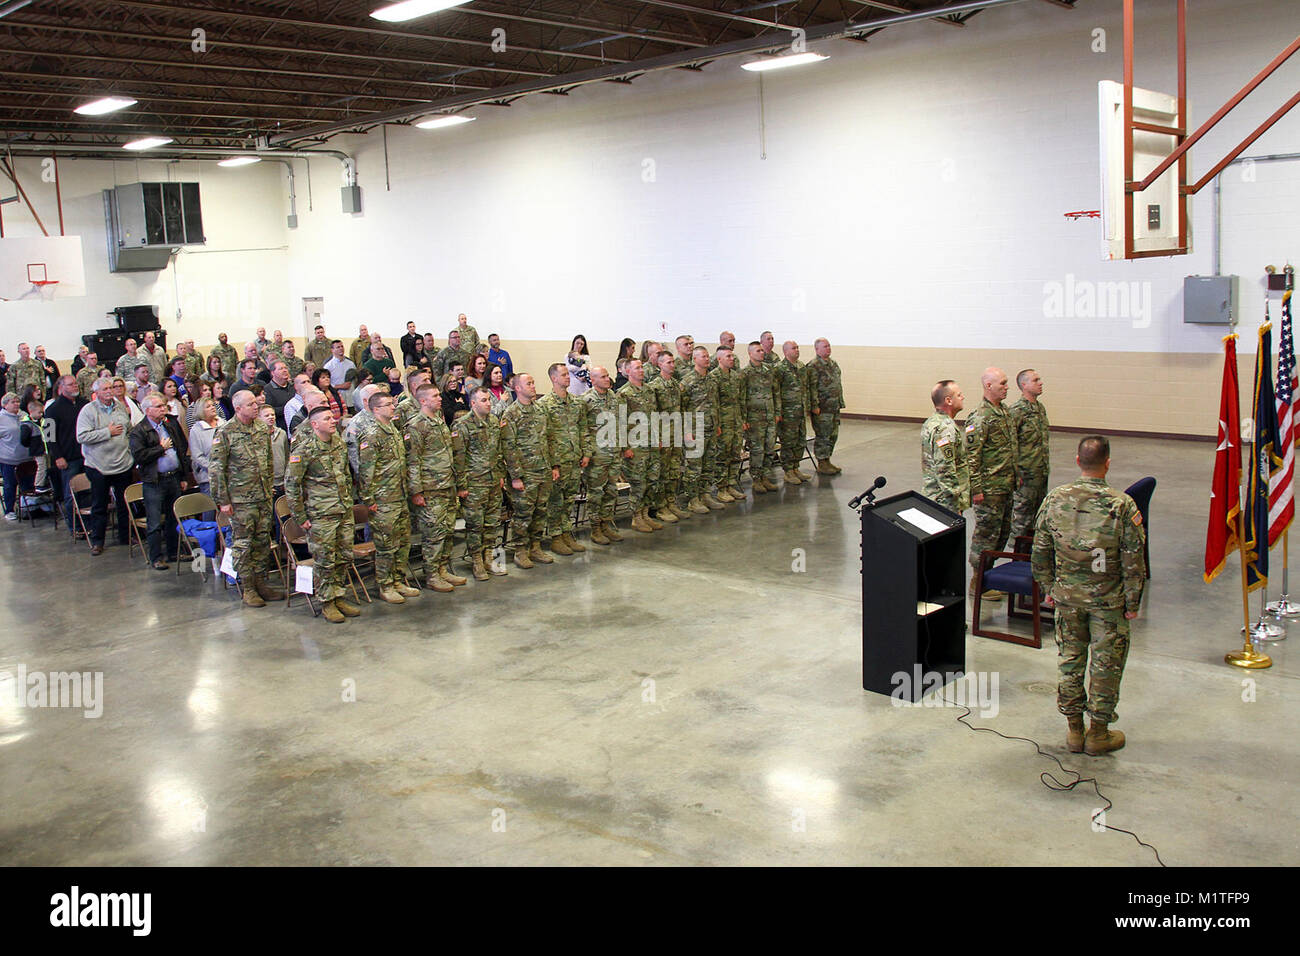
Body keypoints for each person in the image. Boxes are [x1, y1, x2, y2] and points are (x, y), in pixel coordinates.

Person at [1032, 436, 1145, 756]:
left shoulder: (1055, 499)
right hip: (1108, 602)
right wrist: (1133, 602)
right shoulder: (1121, 505)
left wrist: (1048, 587)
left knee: (1070, 661)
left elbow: (1040, 550)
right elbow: (1133, 559)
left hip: (1067, 598)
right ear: (1108, 463)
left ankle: (1074, 730)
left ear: (1078, 461)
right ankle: (1098, 732)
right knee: (1106, 664)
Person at [210, 390, 284, 607]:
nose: (256, 406)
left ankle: (262, 583)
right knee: (243, 544)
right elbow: (216, 469)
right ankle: (248, 587)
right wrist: (223, 500)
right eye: (250, 404)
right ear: (238, 408)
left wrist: (269, 484)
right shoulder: (225, 432)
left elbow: (269, 460)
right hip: (240, 499)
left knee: (262, 541)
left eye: (256, 403)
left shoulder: (262, 428)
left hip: (262, 495)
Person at [357, 390, 420, 603]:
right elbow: (366, 471)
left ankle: (398, 579)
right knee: (386, 544)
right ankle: (385, 584)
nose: (393, 407)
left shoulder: (393, 430)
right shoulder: (371, 434)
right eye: (388, 405)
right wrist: (369, 500)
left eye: (393, 403)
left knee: (402, 541)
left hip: (399, 494)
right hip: (383, 499)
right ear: (376, 409)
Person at [407, 383, 465, 591]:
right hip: (430, 487)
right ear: (423, 401)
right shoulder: (416, 425)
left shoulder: (439, 422)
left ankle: (442, 569)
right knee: (434, 533)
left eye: (439, 395)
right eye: (434, 396)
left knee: (448, 529)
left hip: (446, 483)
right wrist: (417, 491)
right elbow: (413, 460)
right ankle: (431, 574)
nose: (439, 398)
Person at [966, 366, 1017, 594]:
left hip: (1005, 485)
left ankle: (989, 576)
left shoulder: (1004, 412)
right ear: (989, 386)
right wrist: (976, 489)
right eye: (1002, 384)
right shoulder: (980, 417)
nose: (1007, 388)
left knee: (1002, 533)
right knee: (986, 535)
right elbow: (971, 456)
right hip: (989, 488)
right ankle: (977, 583)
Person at [501, 372, 559, 567]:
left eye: (534, 382)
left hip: (543, 470)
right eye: (529, 383)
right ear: (517, 388)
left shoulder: (541, 410)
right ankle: (520, 550)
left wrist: (554, 465)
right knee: (523, 514)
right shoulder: (511, 414)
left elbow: (550, 439)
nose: (533, 386)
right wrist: (515, 476)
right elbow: (508, 447)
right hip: (525, 474)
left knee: (541, 511)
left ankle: (535, 547)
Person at [129, 394, 191, 570]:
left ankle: (173, 552)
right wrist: (160, 449)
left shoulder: (168, 425)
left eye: (164, 405)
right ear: (147, 410)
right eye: (158, 406)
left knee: (173, 518)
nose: (163, 409)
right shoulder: (139, 431)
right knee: (155, 521)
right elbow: (139, 456)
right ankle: (156, 556)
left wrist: (183, 476)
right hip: (154, 481)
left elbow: (180, 448)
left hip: (173, 477)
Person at [453, 386, 508, 581]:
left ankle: (488, 556)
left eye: (489, 400)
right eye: (484, 400)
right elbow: (459, 458)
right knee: (475, 524)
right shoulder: (462, 425)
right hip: (474, 483)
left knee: (492, 522)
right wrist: (461, 486)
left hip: (493, 480)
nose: (488, 403)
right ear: (473, 403)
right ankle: (476, 559)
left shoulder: (494, 421)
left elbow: (498, 451)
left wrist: (501, 474)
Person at [76, 378, 135, 554]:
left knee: (124, 503)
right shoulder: (88, 411)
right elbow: (82, 436)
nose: (109, 391)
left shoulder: (120, 408)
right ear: (97, 393)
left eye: (111, 387)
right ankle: (98, 541)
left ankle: (126, 536)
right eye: (105, 389)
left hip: (122, 464)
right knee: (99, 505)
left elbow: (129, 431)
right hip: (98, 466)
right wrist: (106, 433)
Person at [538, 363, 588, 555]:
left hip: (574, 458)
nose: (568, 377)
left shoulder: (576, 403)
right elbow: (545, 437)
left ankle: (567, 533)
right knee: (556, 501)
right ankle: (556, 537)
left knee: (569, 500)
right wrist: (553, 464)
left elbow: (582, 428)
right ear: (554, 378)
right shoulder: (545, 405)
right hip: (557, 461)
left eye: (568, 374)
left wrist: (586, 453)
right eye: (564, 374)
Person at [581, 366, 629, 544]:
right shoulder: (586, 400)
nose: (607, 379)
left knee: (611, 491)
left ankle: (606, 524)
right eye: (602, 377)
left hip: (614, 452)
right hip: (597, 455)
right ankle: (595, 528)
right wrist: (587, 452)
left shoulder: (614, 398)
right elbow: (583, 428)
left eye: (607, 375)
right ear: (593, 380)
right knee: (596, 493)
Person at [617, 358, 659, 534]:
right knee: (638, 483)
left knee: (652, 480)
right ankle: (636, 517)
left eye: (642, 367)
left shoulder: (649, 390)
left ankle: (645, 513)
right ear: (628, 372)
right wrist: (625, 447)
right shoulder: (623, 394)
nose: (641, 370)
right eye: (637, 368)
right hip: (635, 446)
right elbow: (619, 422)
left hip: (651, 442)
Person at [649, 349, 691, 521]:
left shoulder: (676, 385)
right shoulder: (654, 387)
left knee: (674, 471)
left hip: (676, 434)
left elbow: (682, 410)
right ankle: (660, 506)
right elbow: (651, 415)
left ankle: (671, 502)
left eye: (673, 362)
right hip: (662, 436)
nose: (672, 365)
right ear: (659, 364)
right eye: (668, 362)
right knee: (662, 472)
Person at [1009, 369, 1050, 540]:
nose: (1040, 383)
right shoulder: (1017, 411)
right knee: (1022, 517)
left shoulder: (1040, 408)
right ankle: (1017, 554)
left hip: (1040, 473)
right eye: (1036, 380)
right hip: (1025, 475)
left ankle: (1031, 554)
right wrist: (1015, 473)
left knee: (1038, 516)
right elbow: (1011, 444)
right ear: (1024, 385)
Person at [921, 380, 970, 514]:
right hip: (944, 502)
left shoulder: (931, 422)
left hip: (933, 496)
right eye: (959, 395)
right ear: (948, 400)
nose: (963, 397)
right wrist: (954, 505)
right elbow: (945, 470)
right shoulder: (945, 429)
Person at [739, 341, 781, 493]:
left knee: (769, 448)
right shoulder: (745, 373)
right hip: (754, 419)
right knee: (757, 450)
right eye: (758, 351)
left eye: (762, 351)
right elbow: (741, 398)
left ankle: (765, 477)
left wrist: (777, 412)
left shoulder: (768, 370)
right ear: (750, 354)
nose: (762, 353)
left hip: (769, 416)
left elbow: (775, 392)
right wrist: (744, 419)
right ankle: (756, 479)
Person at [680, 345, 717, 514]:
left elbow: (714, 404)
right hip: (695, 430)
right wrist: (687, 431)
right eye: (703, 356)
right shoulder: (687, 381)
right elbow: (682, 408)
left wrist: (718, 425)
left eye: (708, 356)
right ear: (695, 359)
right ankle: (692, 499)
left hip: (710, 427)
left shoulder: (711, 379)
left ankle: (705, 494)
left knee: (709, 464)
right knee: (694, 467)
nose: (707, 359)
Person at [46, 375, 87, 526]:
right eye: (70, 385)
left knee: (88, 492)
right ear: (61, 388)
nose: (75, 386)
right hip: (68, 458)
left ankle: (89, 524)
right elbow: (49, 436)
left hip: (87, 455)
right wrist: (58, 456)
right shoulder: (52, 410)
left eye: (76, 384)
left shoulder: (84, 404)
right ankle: (75, 527)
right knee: (71, 494)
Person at [706, 347, 741, 507]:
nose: (731, 359)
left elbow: (740, 399)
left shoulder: (735, 376)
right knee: (722, 456)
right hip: (723, 422)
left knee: (735, 454)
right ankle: (721, 488)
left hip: (736, 420)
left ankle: (731, 484)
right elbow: (714, 403)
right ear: (719, 359)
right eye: (728, 356)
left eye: (732, 356)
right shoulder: (713, 377)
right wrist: (717, 424)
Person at [774, 341, 811, 485]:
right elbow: (776, 391)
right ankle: (788, 471)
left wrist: (806, 406)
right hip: (787, 413)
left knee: (800, 441)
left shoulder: (801, 367)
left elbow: (805, 388)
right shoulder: (780, 369)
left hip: (800, 411)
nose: (797, 350)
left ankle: (796, 467)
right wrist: (779, 411)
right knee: (788, 442)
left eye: (797, 347)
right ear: (785, 351)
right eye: (793, 348)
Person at [807, 338, 845, 475]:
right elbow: (811, 388)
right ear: (817, 349)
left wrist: (840, 402)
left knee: (833, 435)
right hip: (822, 408)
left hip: (833, 406)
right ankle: (822, 463)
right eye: (825, 346)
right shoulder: (813, 366)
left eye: (829, 346)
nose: (828, 348)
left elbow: (837, 384)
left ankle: (827, 460)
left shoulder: (833, 364)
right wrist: (814, 405)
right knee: (823, 435)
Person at [0, 392, 32, 521]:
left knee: (28, 486)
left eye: (18, 401)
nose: (16, 404)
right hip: (9, 459)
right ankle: (9, 510)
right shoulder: (1, 418)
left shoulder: (23, 415)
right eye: (13, 402)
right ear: (5, 405)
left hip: (27, 459)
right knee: (10, 486)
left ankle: (27, 509)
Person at [189, 398, 220, 497]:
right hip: (208, 478)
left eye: (213, 405)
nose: (212, 408)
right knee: (210, 509)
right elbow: (198, 457)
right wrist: (215, 468)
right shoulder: (196, 430)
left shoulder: (224, 424)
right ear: (201, 411)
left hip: (229, 475)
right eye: (208, 406)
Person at [258, 404, 289, 495]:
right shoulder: (257, 437)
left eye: (273, 415)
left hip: (283, 481)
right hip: (268, 482)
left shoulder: (282, 433)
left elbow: (287, 456)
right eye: (267, 415)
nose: (271, 417)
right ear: (259, 418)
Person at [262, 359, 295, 430]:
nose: (285, 370)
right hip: (280, 425)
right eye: (281, 369)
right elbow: (270, 409)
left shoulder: (294, 386)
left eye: (285, 368)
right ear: (273, 373)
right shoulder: (267, 390)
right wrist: (289, 408)